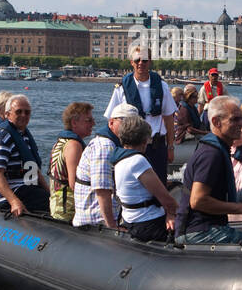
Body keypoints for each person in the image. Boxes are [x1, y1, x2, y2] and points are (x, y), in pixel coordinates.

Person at [177, 95, 242, 245]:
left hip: (207, 228)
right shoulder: (211, 155)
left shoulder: (217, 149)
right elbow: (198, 201)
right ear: (216, 122)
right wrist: (241, 208)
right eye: (234, 120)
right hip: (199, 232)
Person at [103, 46, 176, 185]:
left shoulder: (162, 86)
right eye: (137, 60)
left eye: (144, 60)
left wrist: (170, 147)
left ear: (150, 62)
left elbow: (168, 118)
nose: (140, 63)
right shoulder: (122, 88)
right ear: (131, 62)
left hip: (156, 145)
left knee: (159, 185)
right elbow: (111, 121)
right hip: (130, 147)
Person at [111, 114, 178, 242]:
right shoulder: (138, 161)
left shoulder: (119, 158)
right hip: (148, 222)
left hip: (130, 219)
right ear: (144, 141)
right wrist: (172, 213)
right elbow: (165, 198)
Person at [72, 103, 137, 229]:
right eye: (126, 122)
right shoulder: (105, 148)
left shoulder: (116, 144)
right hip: (95, 223)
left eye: (135, 123)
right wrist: (111, 226)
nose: (131, 127)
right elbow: (102, 190)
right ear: (111, 123)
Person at [0, 94, 49, 216]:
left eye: (27, 112)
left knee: (59, 201)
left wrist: (50, 192)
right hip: (15, 191)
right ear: (8, 114)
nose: (23, 115)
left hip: (28, 188)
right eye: (19, 112)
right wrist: (14, 201)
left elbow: (34, 169)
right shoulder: (4, 137)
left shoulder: (24, 136)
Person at [49, 101, 94, 222]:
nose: (93, 124)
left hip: (57, 202)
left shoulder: (61, 142)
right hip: (67, 207)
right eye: (88, 120)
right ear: (74, 123)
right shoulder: (73, 145)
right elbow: (74, 183)